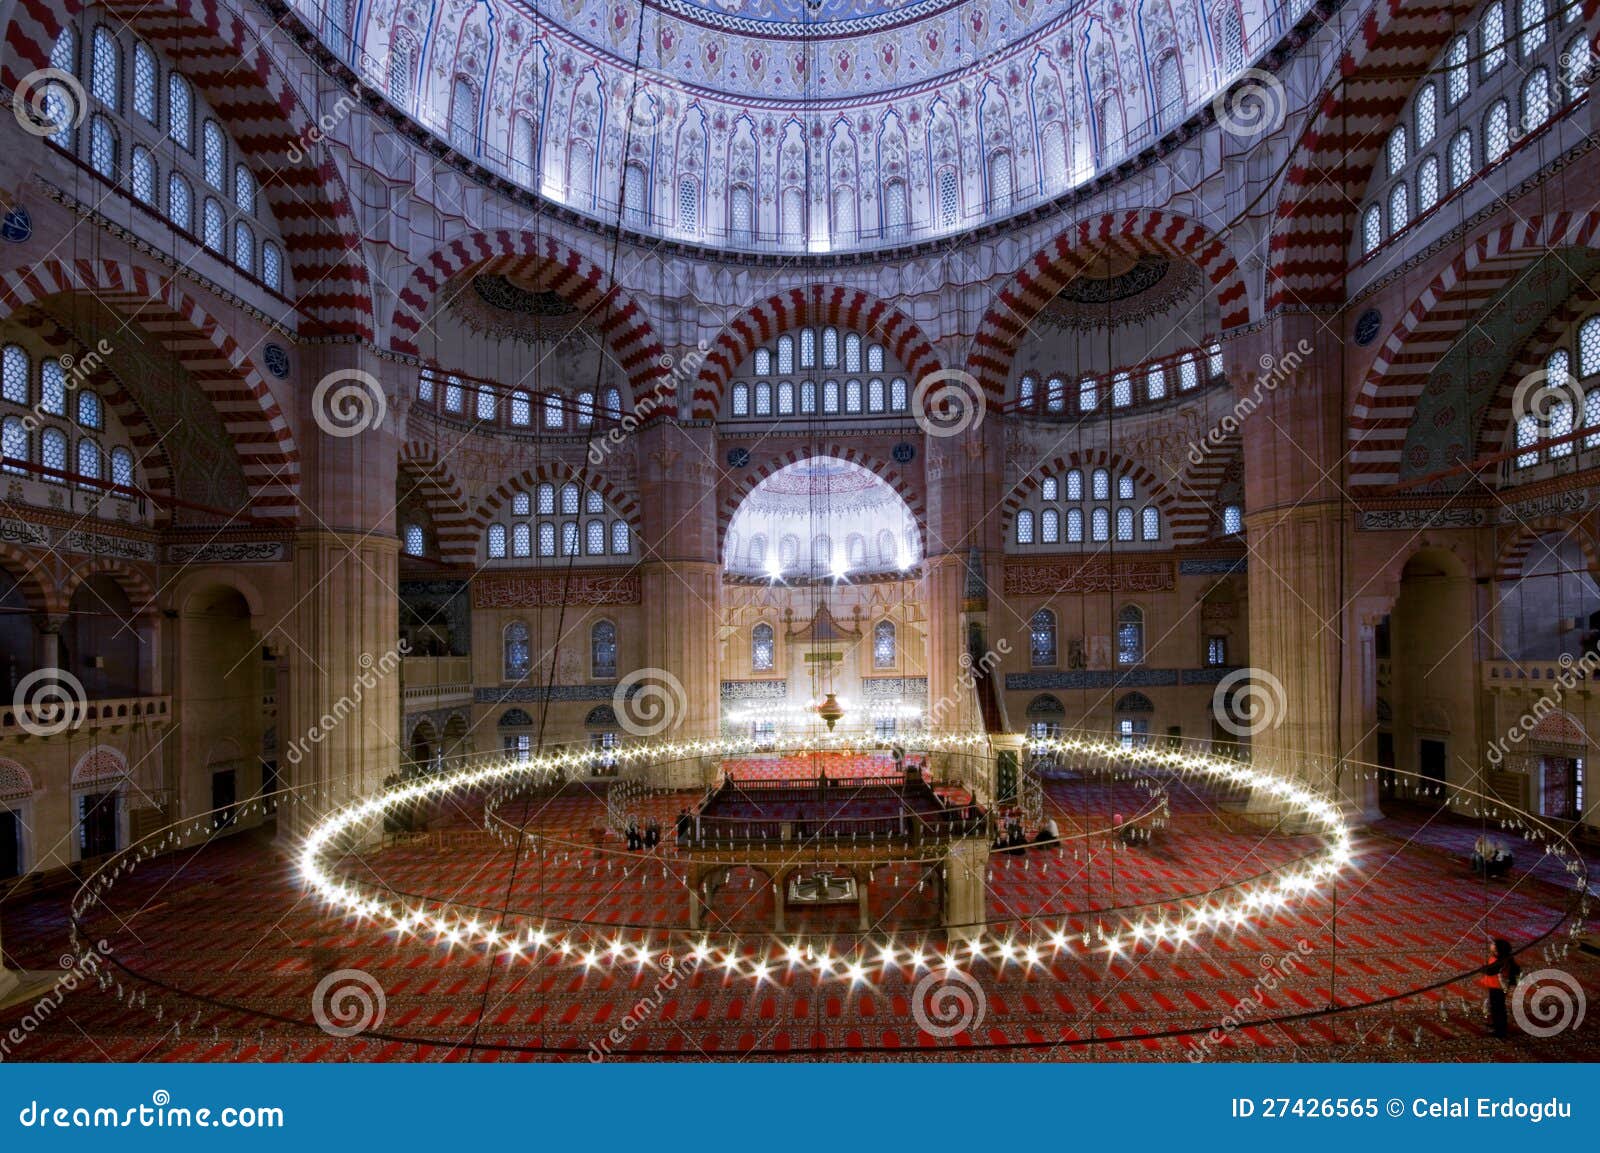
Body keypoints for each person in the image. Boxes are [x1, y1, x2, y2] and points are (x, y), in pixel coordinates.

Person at [1481, 937, 1520, 1038]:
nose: (1491, 944)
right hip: (1495, 986)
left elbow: (1490, 971)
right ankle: (1497, 1024)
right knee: (1496, 1006)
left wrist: (1484, 969)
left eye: (1493, 944)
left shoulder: (1501, 961)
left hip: (1498, 987)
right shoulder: (1500, 957)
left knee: (1498, 1008)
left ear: (1497, 950)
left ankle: (1500, 1030)